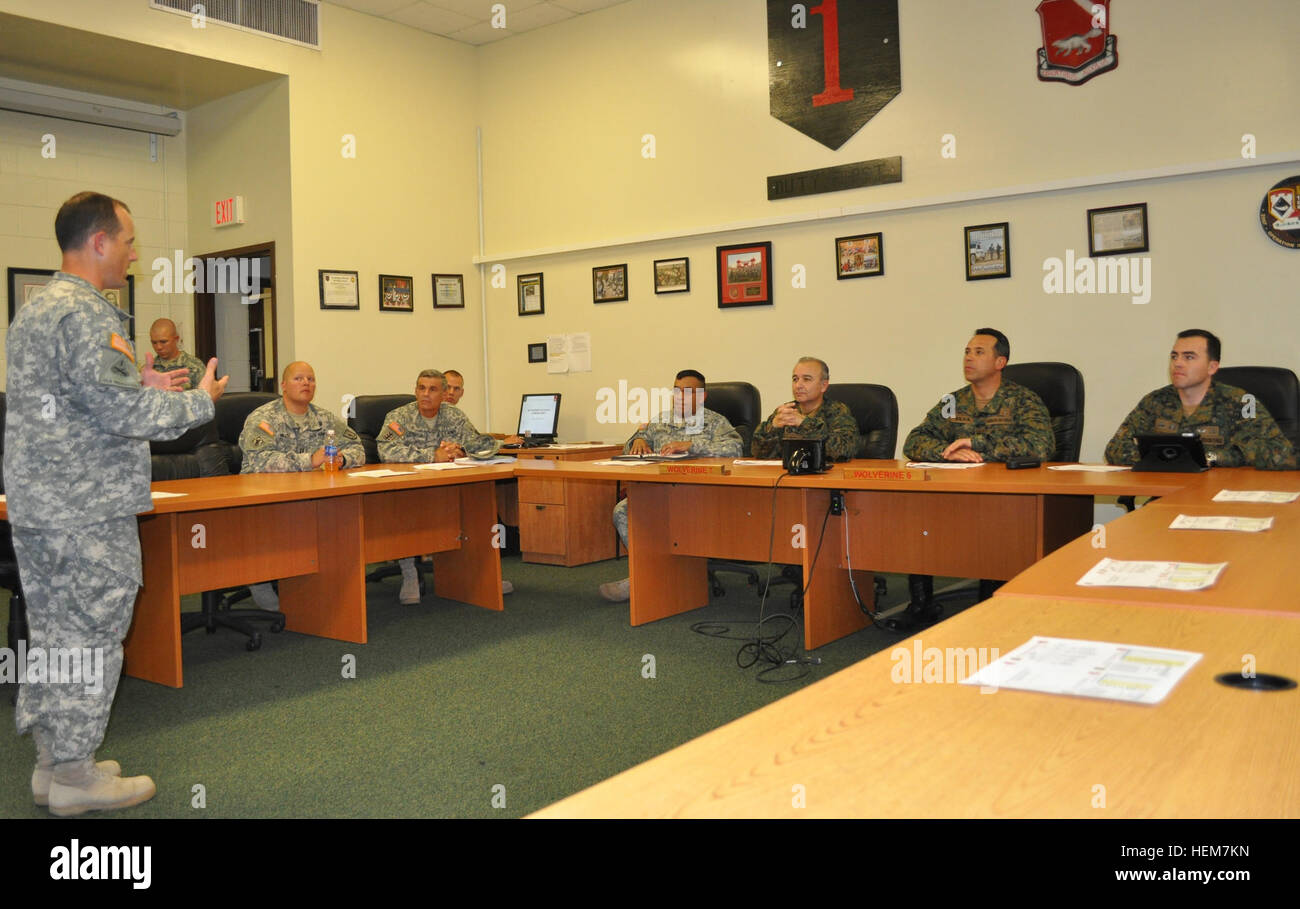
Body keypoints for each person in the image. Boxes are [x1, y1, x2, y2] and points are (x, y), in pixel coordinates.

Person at [5, 191, 228, 815]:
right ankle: (76, 776)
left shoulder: (36, 310)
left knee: (55, 635)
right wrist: (199, 399)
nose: (133, 254)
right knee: (93, 634)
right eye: (128, 242)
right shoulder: (87, 313)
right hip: (86, 510)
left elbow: (82, 397)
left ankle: (54, 763)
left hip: (43, 507)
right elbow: (117, 411)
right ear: (99, 241)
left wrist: (140, 379)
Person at [897, 328, 1054, 628]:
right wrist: (946, 451)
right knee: (917, 519)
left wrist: (978, 446)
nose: (969, 357)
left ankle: (991, 604)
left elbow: (1041, 446)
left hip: (1006, 498)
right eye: (967, 351)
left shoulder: (1023, 401)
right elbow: (913, 441)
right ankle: (921, 605)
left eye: (979, 352)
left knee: (996, 526)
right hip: (956, 494)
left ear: (1000, 362)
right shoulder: (953, 402)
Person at [599, 370, 743, 602]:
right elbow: (629, 449)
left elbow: (736, 449)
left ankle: (645, 578)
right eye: (677, 391)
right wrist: (639, 440)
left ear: (702, 397)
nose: (680, 397)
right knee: (623, 510)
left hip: (701, 494)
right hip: (660, 492)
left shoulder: (716, 422)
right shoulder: (661, 420)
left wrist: (691, 445)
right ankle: (647, 572)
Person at [377, 369, 515, 601]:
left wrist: (461, 450)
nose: (425, 394)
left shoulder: (454, 416)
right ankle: (409, 574)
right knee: (405, 515)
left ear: (443, 394)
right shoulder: (398, 416)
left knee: (476, 507)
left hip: (448, 486)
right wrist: (433, 455)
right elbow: (386, 450)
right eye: (421, 388)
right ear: (415, 390)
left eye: (432, 389)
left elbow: (476, 443)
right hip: (409, 488)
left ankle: (482, 575)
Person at [238, 361, 365, 608]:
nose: (306, 383)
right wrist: (310, 460)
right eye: (299, 379)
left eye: (311, 379)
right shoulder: (263, 419)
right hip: (265, 498)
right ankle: (259, 578)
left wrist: (343, 459)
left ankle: (321, 584)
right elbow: (259, 460)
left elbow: (359, 447)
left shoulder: (325, 418)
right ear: (283, 386)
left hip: (310, 497)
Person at [1104, 329, 1295, 469]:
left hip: (1224, 497)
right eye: (1174, 356)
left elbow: (1282, 454)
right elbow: (1114, 450)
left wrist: (1214, 457)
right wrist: (1169, 458)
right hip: (1166, 495)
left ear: (1212, 367)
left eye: (1188, 357)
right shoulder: (1155, 401)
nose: (1177, 363)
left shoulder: (1241, 402)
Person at [750, 357, 858, 460]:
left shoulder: (837, 411)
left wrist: (804, 423)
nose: (798, 385)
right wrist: (773, 427)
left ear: (823, 385)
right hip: (786, 474)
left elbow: (844, 450)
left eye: (806, 379)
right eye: (795, 379)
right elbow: (757, 452)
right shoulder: (787, 411)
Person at [143, 317, 207, 390]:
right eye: (154, 342)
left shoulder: (194, 366)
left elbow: (205, 398)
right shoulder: (149, 370)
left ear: (176, 339)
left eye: (163, 342)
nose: (159, 347)